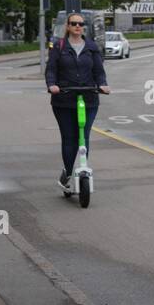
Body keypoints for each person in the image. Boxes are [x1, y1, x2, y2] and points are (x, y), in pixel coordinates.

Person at [46, 12, 110, 191]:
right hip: (64, 99)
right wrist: (52, 85)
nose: (77, 26)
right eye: (73, 23)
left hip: (88, 98)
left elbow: (98, 71)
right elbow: (51, 70)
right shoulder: (58, 47)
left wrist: (103, 84)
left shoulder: (91, 47)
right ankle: (67, 173)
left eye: (81, 24)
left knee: (84, 136)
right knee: (69, 138)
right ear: (67, 26)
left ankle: (82, 168)